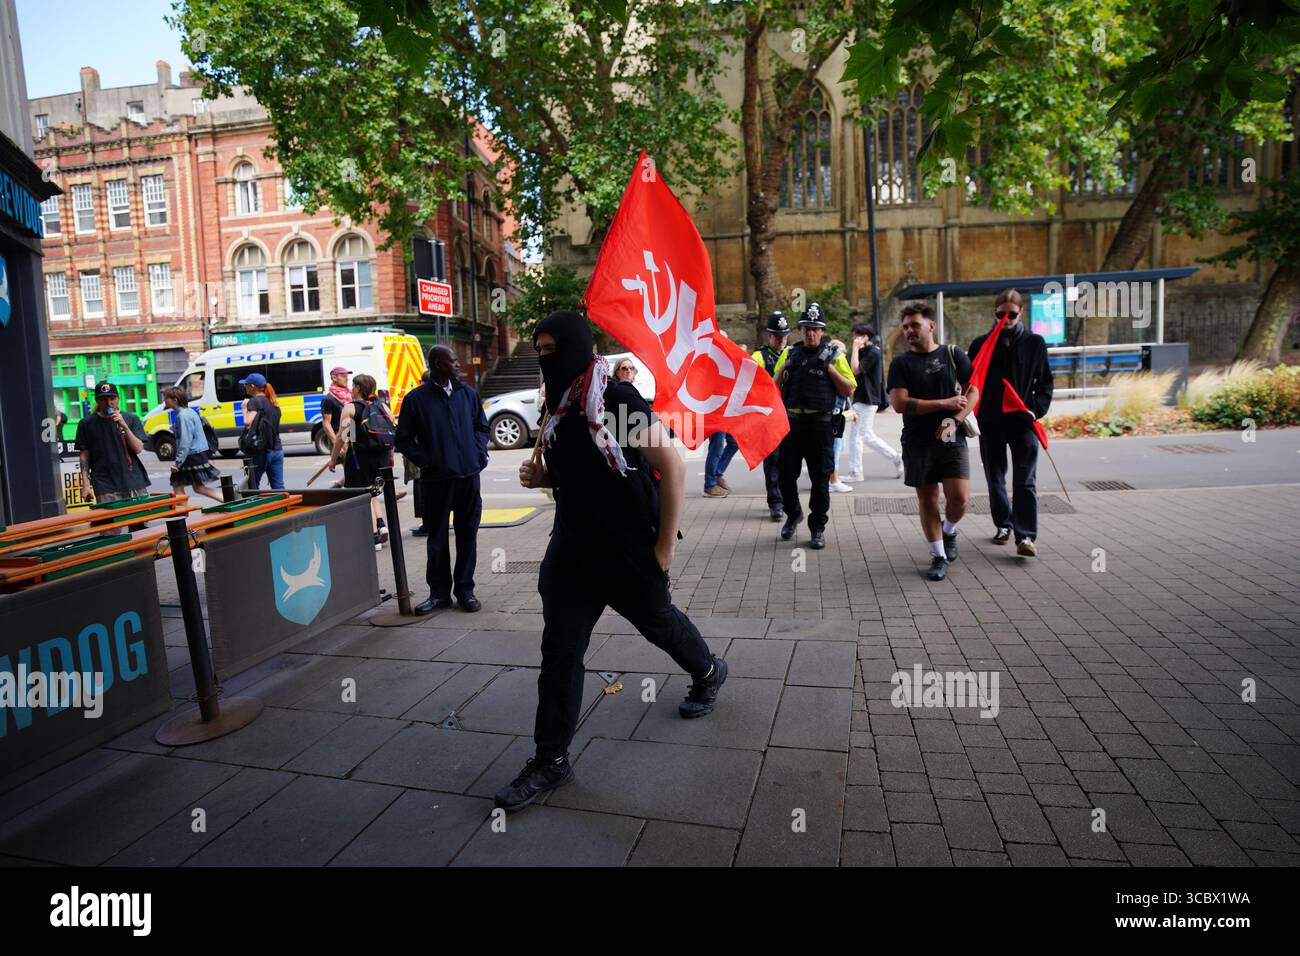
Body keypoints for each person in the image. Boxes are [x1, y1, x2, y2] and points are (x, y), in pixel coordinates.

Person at [499, 310, 726, 813]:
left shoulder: (615, 400)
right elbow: (583, 473)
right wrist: (544, 480)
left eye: (553, 347)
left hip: (626, 551)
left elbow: (670, 464)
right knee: (560, 653)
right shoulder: (557, 408)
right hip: (570, 554)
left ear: (579, 346)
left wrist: (664, 548)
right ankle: (550, 759)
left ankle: (708, 670)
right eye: (538, 348)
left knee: (658, 623)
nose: (544, 357)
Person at [887, 303, 979, 582]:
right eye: (905, 326)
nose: (909, 331)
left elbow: (973, 391)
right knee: (928, 499)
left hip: (953, 436)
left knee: (960, 499)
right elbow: (899, 403)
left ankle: (949, 530)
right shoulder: (901, 363)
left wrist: (957, 418)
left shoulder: (953, 354)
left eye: (914, 324)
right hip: (917, 441)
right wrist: (944, 403)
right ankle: (938, 556)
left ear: (931, 325)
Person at [394, 345, 488, 613]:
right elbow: (403, 440)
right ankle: (438, 594)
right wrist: (428, 461)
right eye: (453, 360)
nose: (458, 364)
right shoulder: (416, 399)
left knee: (467, 535)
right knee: (436, 538)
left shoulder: (467, 394)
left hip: (469, 478)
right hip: (436, 481)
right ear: (436, 363)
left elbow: (482, 427)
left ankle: (465, 590)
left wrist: (479, 453)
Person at [968, 289, 1054, 557]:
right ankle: (1003, 525)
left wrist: (1034, 411)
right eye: (1001, 314)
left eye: (1012, 314)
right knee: (995, 476)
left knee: (1025, 480)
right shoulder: (981, 344)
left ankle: (1026, 535)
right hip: (991, 422)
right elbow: (971, 382)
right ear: (994, 314)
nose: (1006, 319)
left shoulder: (1035, 343)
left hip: (1022, 422)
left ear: (1021, 313)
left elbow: (1046, 384)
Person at [773, 303, 855, 549]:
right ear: (800, 329)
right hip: (793, 425)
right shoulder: (790, 354)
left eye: (816, 329)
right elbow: (773, 388)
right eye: (807, 328)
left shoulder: (834, 356)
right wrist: (784, 368)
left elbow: (849, 388)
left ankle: (817, 527)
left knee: (821, 481)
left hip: (821, 425)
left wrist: (828, 368)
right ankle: (793, 513)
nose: (811, 333)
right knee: (786, 476)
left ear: (822, 331)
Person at [328, 373, 393, 551]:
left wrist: (333, 459)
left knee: (363, 496)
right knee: (373, 492)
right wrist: (390, 457)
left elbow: (343, 436)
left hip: (360, 458)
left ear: (357, 388)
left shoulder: (351, 408)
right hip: (382, 457)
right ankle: (381, 524)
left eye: (353, 386)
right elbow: (390, 433)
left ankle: (373, 539)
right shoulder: (383, 407)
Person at [846, 322, 904, 481]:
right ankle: (896, 457)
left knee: (857, 436)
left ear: (866, 337)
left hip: (868, 399)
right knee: (866, 436)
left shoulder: (873, 353)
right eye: (854, 335)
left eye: (857, 336)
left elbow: (854, 370)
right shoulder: (866, 352)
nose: (854, 339)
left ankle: (856, 473)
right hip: (862, 398)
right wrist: (857, 349)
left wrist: (856, 349)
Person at [76, 381, 149, 504]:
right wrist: (86, 485)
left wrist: (124, 427)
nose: (109, 403)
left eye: (112, 398)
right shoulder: (86, 424)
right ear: (97, 401)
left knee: (140, 521)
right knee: (111, 520)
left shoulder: (131, 419)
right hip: (105, 484)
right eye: (103, 399)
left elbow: (138, 449)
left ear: (118, 399)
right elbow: (84, 455)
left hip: (133, 480)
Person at [751, 311, 790, 520]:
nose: (781, 340)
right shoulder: (759, 357)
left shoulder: (793, 353)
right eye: (777, 335)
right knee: (773, 460)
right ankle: (775, 502)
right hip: (769, 415)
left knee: (788, 460)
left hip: (790, 414)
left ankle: (786, 498)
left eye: (784, 335)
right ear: (769, 336)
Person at [163, 386, 222, 502]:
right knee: (199, 487)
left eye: (166, 398)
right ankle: (228, 500)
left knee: (178, 486)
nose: (164, 401)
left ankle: (182, 516)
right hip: (197, 454)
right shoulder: (190, 412)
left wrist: (178, 463)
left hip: (190, 456)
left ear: (175, 400)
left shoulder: (183, 416)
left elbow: (185, 441)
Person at [240, 372, 284, 490]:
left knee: (253, 486)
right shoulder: (273, 401)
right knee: (279, 487)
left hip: (261, 451)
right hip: (277, 449)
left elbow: (248, 423)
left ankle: (257, 508)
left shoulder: (254, 401)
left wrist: (244, 409)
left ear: (252, 386)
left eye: (246, 385)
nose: (245, 387)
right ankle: (285, 507)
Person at [828, 339, 854, 494]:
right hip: (834, 414)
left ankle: (829, 476)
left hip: (837, 413)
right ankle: (833, 480)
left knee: (839, 445)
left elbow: (845, 395)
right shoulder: (834, 367)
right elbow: (848, 388)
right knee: (835, 447)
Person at [702, 430, 739, 498]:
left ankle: (716, 476)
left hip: (727, 419)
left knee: (735, 443)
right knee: (717, 447)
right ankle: (710, 486)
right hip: (716, 420)